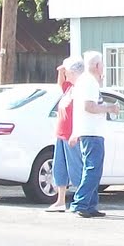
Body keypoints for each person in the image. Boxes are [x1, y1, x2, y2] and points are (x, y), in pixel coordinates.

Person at [70, 50, 119, 218]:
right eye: (102, 64)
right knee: (93, 169)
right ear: (97, 65)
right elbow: (89, 107)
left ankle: (90, 204)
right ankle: (81, 203)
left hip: (89, 130)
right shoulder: (89, 82)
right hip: (91, 132)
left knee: (93, 169)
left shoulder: (85, 81)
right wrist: (110, 108)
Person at [47, 55, 83, 212]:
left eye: (67, 71)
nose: (66, 74)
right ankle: (60, 200)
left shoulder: (81, 89)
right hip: (61, 134)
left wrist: (78, 132)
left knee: (76, 167)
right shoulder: (70, 88)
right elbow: (61, 84)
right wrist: (61, 71)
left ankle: (82, 200)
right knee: (60, 167)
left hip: (72, 134)